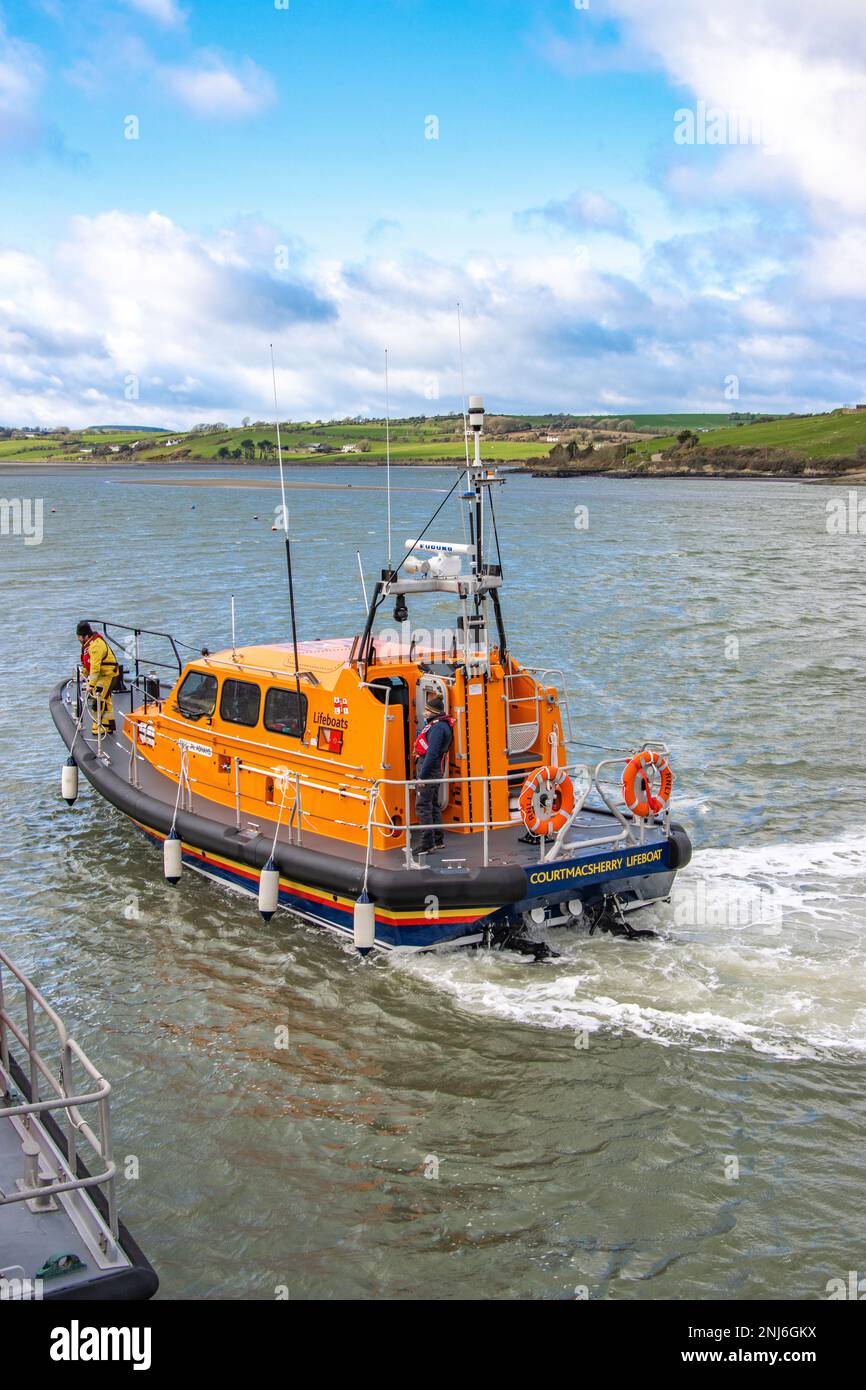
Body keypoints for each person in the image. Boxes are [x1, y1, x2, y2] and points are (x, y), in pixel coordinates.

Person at [413, 693, 454, 854]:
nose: (424, 713)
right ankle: (438, 839)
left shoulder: (437, 728)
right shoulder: (441, 725)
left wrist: (422, 776)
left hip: (429, 771)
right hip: (434, 770)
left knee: (423, 806)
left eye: (427, 710)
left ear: (434, 712)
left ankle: (427, 843)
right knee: (433, 805)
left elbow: (432, 753)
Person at [77, 621, 119, 736]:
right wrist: (84, 673)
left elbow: (95, 667)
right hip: (102, 675)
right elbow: (88, 664)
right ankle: (108, 725)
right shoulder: (89, 644)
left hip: (107, 674)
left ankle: (98, 726)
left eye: (80, 637)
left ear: (85, 636)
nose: (79, 639)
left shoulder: (96, 646)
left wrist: (91, 685)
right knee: (105, 699)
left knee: (98, 699)